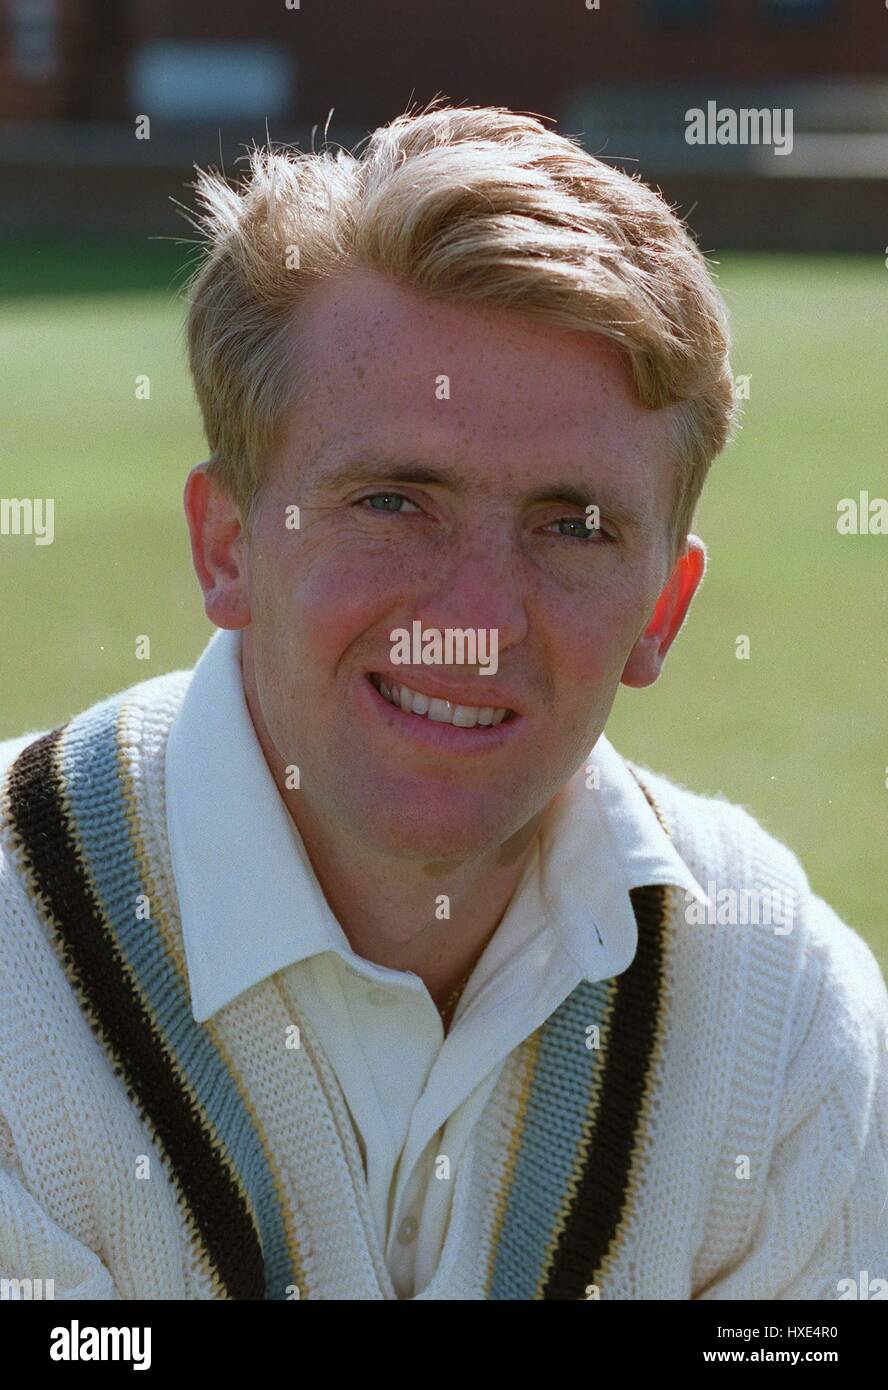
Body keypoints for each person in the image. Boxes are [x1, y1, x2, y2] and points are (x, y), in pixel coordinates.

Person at [1, 101, 885, 1302]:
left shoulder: (777, 1006)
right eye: (392, 501)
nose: (476, 615)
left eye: (574, 525)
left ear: (663, 610)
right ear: (225, 547)